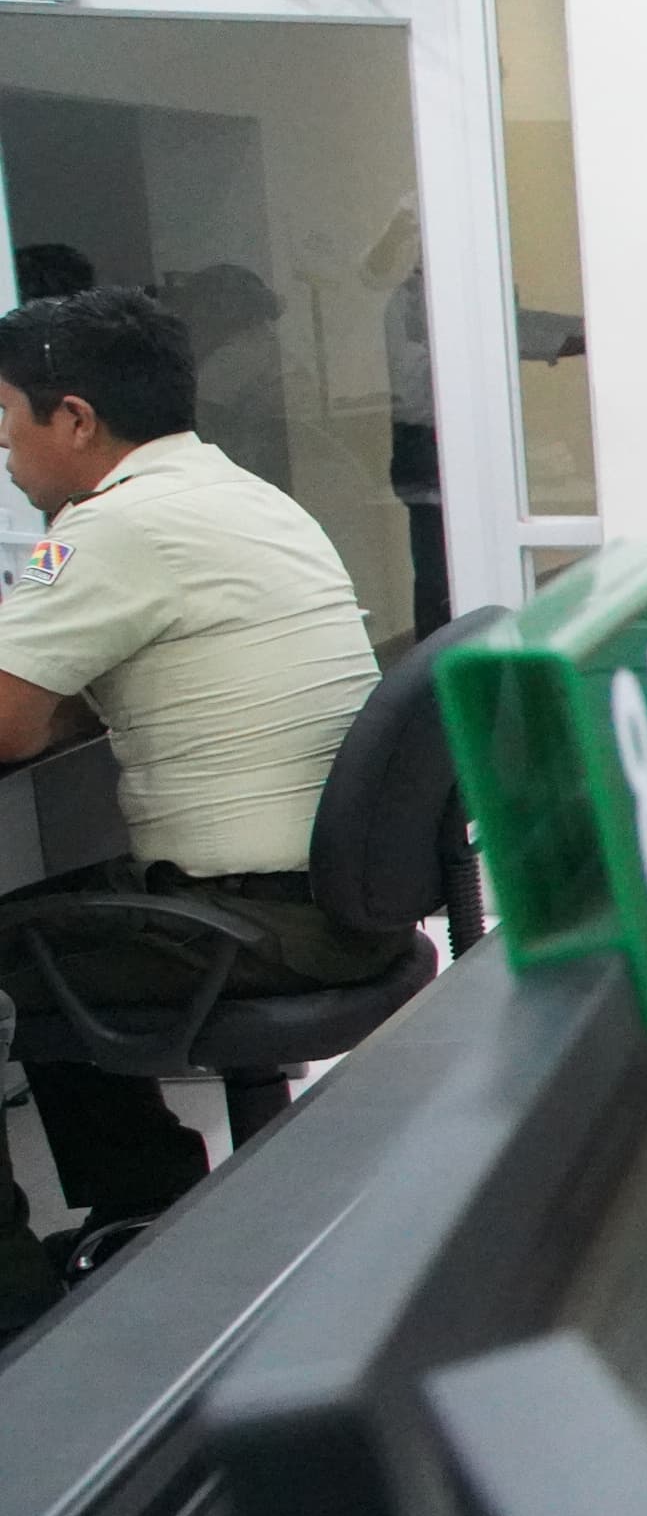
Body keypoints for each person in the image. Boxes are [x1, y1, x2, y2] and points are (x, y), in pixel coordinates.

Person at [0, 291, 402, 1326]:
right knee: (58, 907)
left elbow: (9, 725)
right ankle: (144, 1199)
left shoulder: (104, 530)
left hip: (255, 924)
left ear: (75, 419)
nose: (2, 449)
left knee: (24, 940)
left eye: (6, 416)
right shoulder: (241, 493)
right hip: (335, 901)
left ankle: (13, 1303)